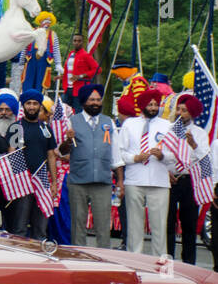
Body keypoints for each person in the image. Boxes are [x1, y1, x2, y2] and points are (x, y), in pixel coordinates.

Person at [56, 83, 121, 248]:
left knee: (103, 226)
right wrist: (68, 140)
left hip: (103, 181)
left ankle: (104, 261)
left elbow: (116, 155)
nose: (96, 103)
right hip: (78, 181)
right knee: (78, 226)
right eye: (92, 99)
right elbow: (62, 152)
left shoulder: (109, 122)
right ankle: (78, 259)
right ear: (84, 101)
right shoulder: (72, 121)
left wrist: (120, 180)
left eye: (98, 100)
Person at [117, 86, 174, 257]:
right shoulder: (129, 124)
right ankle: (135, 258)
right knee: (134, 224)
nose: (153, 108)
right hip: (135, 180)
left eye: (155, 105)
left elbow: (174, 155)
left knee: (159, 225)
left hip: (159, 180)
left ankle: (160, 261)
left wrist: (162, 155)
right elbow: (120, 152)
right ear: (142, 106)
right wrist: (135, 158)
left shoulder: (167, 126)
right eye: (149, 104)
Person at [1, 89, 60, 239]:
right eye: (29, 103)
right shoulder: (16, 127)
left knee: (41, 227)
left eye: (35, 104)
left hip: (42, 182)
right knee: (20, 226)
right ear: (23, 105)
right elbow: (11, 153)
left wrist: (54, 182)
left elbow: (51, 156)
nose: (32, 107)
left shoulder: (46, 128)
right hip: (23, 184)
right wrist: (21, 179)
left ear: (40, 106)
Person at [166, 94, 209, 264]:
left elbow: (204, 157)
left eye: (184, 110)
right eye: (179, 109)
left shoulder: (199, 133)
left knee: (189, 225)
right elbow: (163, 152)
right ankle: (167, 262)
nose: (180, 113)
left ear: (192, 113)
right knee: (168, 223)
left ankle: (189, 263)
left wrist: (193, 145)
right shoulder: (170, 130)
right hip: (169, 180)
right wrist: (166, 172)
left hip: (189, 180)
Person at [62, 33, 100, 100]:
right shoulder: (71, 54)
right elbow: (69, 70)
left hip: (79, 89)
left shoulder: (86, 55)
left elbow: (98, 69)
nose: (77, 43)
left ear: (82, 42)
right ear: (72, 42)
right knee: (64, 109)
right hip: (67, 88)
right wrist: (62, 76)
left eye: (79, 41)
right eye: (75, 40)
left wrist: (81, 76)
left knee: (78, 110)